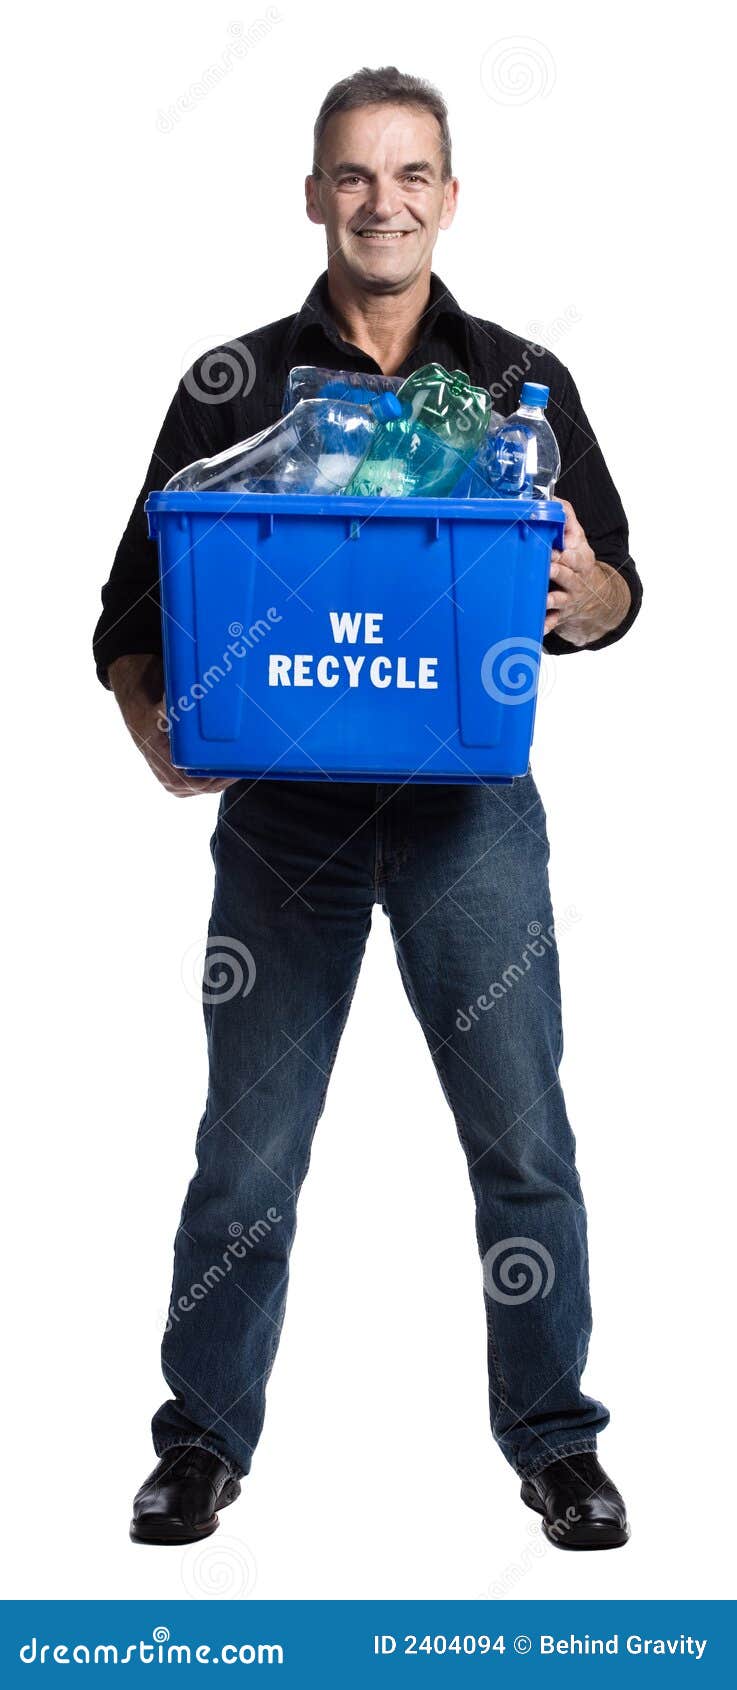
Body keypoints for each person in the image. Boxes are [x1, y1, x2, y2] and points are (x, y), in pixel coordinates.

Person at [94, 66, 642, 1552]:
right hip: (287, 819)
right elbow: (129, 610)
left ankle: (555, 1440)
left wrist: (582, 587)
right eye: (353, 174)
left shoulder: (520, 384)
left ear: (448, 199)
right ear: (314, 195)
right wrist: (156, 730)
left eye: (409, 176)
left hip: (469, 808)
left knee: (523, 1140)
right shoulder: (233, 386)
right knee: (249, 1154)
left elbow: (613, 592)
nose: (380, 203)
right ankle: (202, 1440)